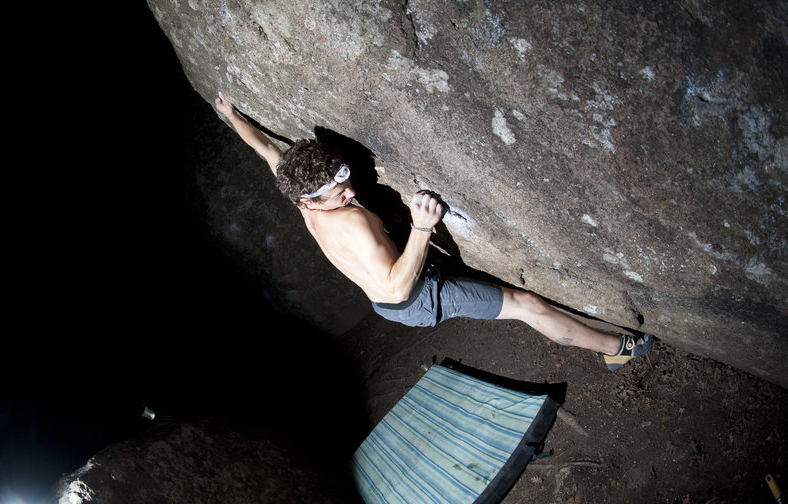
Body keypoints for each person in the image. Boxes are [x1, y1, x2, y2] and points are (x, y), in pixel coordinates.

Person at [214, 92, 654, 370]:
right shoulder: (352, 224)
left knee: (513, 298)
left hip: (394, 296)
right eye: (335, 191)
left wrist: (231, 115)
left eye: (343, 177)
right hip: (414, 297)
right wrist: (423, 228)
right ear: (312, 201)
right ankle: (617, 349)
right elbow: (394, 286)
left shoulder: (300, 195)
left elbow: (267, 149)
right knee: (526, 304)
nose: (348, 191)